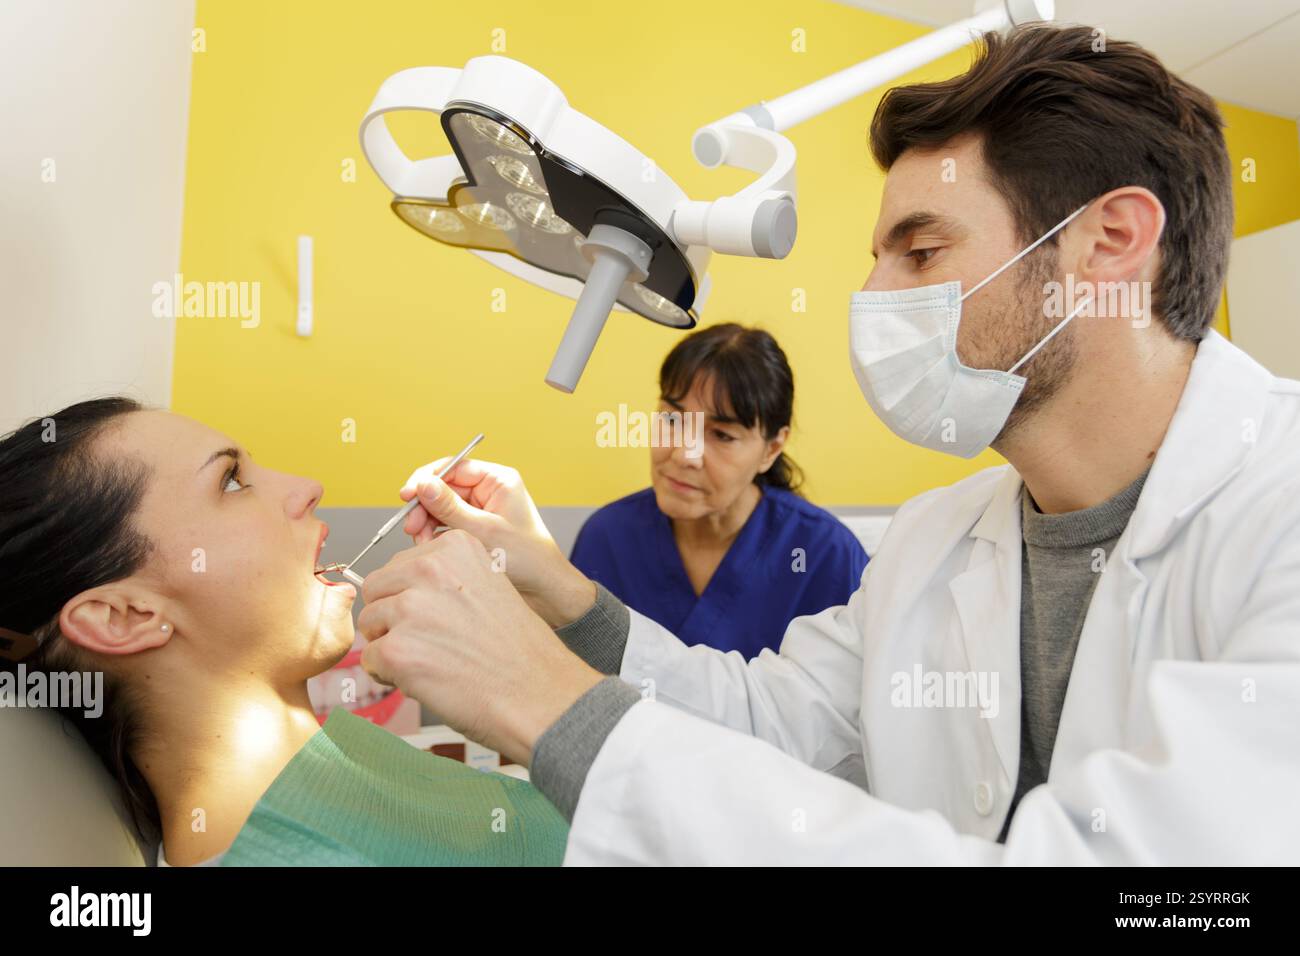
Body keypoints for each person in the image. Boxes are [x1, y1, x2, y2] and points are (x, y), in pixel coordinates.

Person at [355, 24, 1300, 864]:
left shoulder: (1277, 507)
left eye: (921, 254)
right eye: (878, 260)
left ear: (1112, 242)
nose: (878, 302)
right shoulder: (937, 541)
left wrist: (543, 701)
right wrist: (557, 593)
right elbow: (768, 725)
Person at [0, 398, 567, 867]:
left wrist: (562, 608)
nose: (308, 486)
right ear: (124, 617)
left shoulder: (336, 770)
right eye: (231, 482)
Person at [570, 323, 867, 659]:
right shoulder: (608, 538)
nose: (684, 455)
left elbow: (851, 699)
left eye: (722, 435)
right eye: (672, 421)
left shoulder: (824, 555)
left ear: (771, 449)